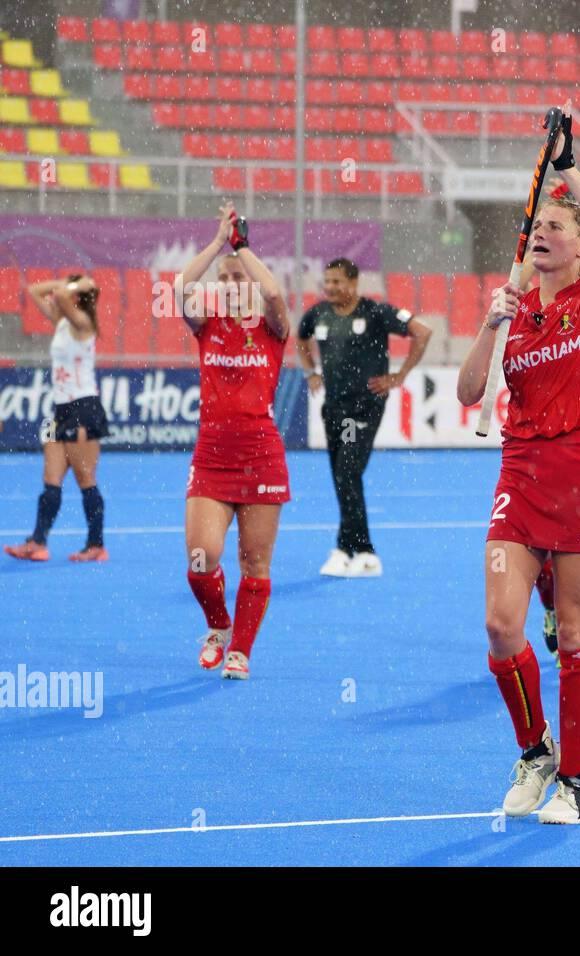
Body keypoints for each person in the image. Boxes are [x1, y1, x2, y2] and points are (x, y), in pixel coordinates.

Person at [456, 104, 580, 823]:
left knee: (576, 633)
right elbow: (470, 392)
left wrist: (567, 171)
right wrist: (493, 320)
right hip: (520, 476)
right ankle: (536, 751)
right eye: (540, 227)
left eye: (560, 228)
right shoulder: (518, 313)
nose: (545, 235)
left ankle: (578, 783)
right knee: (502, 626)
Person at [183, 203, 291, 680]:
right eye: (222, 280)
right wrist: (216, 243)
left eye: (235, 279)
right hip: (212, 455)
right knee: (201, 559)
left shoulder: (271, 330)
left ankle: (241, 650)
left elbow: (272, 291)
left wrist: (241, 249)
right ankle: (218, 626)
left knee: (255, 561)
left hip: (261, 455)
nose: (228, 285)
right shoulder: (208, 328)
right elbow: (183, 287)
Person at [297, 258, 432, 578]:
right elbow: (301, 339)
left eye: (337, 282)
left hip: (363, 408)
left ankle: (360, 550)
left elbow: (422, 332)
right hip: (334, 407)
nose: (330, 288)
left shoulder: (375, 312)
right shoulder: (318, 314)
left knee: (347, 471)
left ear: (354, 284)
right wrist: (311, 372)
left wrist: (399, 375)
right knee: (342, 476)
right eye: (326, 282)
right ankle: (351, 551)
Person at [4, 274, 108, 563]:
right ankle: (38, 542)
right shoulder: (62, 322)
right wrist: (69, 282)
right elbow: (34, 290)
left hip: (84, 410)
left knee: (86, 479)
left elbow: (62, 296)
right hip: (59, 413)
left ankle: (96, 544)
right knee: (50, 479)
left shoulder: (83, 324)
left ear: (75, 299)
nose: (59, 295)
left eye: (69, 293)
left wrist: (72, 288)